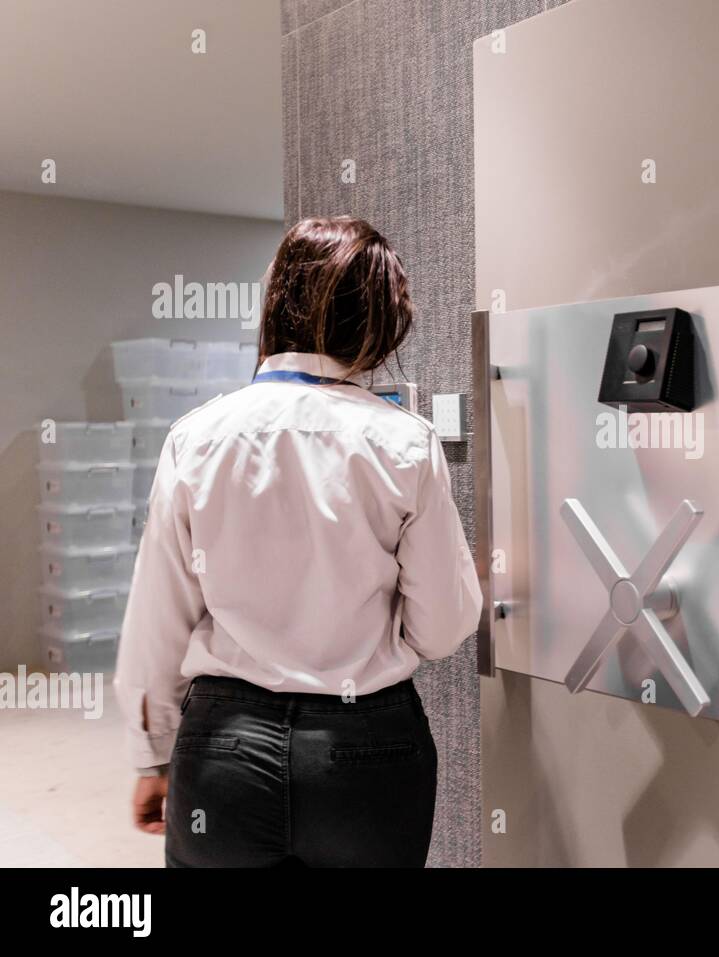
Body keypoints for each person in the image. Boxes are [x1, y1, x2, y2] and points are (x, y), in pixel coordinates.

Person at [114, 216, 482, 867]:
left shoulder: (195, 439)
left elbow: (155, 622)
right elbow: (443, 628)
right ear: (379, 326)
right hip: (367, 758)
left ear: (275, 302)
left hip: (224, 750)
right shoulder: (405, 444)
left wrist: (151, 752)